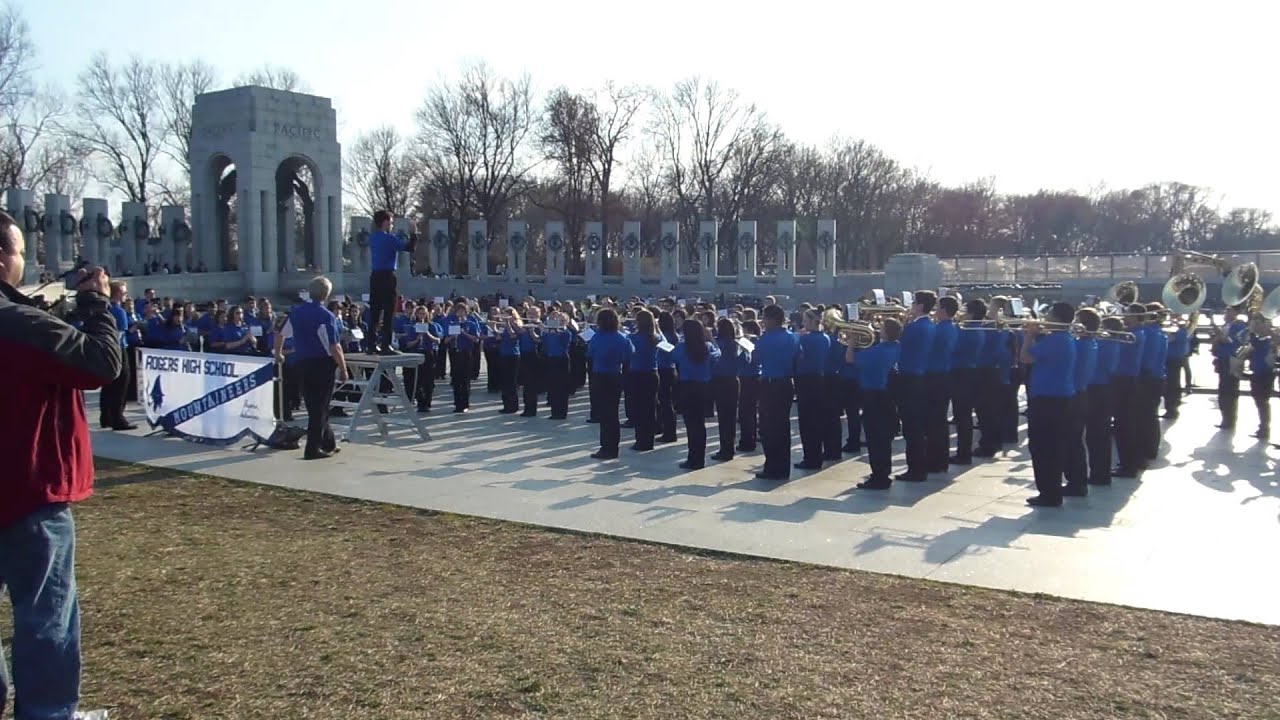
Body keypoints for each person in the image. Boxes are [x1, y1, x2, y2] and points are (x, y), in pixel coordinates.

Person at [1, 208, 123, 720]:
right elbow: (101, 363)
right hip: (26, 490)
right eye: (20, 251)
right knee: (46, 616)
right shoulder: (17, 323)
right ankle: (47, 713)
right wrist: (97, 304)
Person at [275, 276, 349, 460]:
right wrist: (343, 368)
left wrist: (278, 352)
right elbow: (334, 346)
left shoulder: (296, 312)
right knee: (319, 408)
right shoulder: (326, 316)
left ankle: (329, 442)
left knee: (315, 405)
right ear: (326, 294)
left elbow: (280, 333)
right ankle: (312, 448)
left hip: (302, 362)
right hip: (322, 363)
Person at [1019, 302, 1078, 507]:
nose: (1045, 319)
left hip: (1048, 398)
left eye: (1049, 315)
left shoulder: (1055, 340)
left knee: (1043, 446)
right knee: (1053, 446)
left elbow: (1025, 357)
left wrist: (1029, 335)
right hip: (1058, 397)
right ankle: (1051, 491)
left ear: (1058, 319)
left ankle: (1049, 492)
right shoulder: (1064, 338)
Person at [848, 317, 902, 490]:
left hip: (874, 396)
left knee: (875, 438)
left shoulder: (877, 351)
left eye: (882, 328)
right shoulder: (898, 347)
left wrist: (851, 343)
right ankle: (883, 473)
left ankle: (879, 477)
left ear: (885, 332)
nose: (879, 329)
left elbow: (850, 359)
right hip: (889, 396)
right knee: (884, 438)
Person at [754, 304, 800, 480]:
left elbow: (756, 358)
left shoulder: (766, 339)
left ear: (772, 320)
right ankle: (782, 468)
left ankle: (772, 467)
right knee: (782, 427)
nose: (763, 322)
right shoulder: (792, 337)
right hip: (786, 383)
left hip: (770, 383)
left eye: (765, 318)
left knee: (768, 427)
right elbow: (798, 357)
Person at [896, 291, 937, 482]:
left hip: (909, 377)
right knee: (917, 426)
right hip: (921, 376)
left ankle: (915, 469)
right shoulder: (930, 325)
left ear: (920, 306)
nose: (911, 306)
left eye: (914, 302)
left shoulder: (914, 327)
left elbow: (899, 346)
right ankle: (920, 466)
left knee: (911, 427)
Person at [672, 318, 721, 469]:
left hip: (687, 386)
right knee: (700, 424)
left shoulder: (682, 347)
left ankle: (693, 457)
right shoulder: (707, 347)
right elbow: (718, 354)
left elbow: (673, 358)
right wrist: (711, 339)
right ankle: (700, 457)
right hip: (704, 386)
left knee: (691, 424)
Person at [1062, 308, 1099, 497]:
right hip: (1081, 393)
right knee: (1075, 440)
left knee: (1071, 441)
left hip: (1074, 394)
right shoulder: (1091, 343)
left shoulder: (1078, 344)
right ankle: (1077, 480)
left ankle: (1076, 481)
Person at [587, 308, 630, 459]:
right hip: (615, 375)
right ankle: (613, 447)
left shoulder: (597, 337)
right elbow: (628, 355)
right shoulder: (622, 337)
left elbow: (590, 353)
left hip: (600, 376)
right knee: (613, 413)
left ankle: (606, 447)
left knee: (604, 415)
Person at [367, 210, 411, 354]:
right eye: (390, 222)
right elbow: (409, 248)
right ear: (385, 222)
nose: (391, 225)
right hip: (387, 276)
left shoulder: (372, 237)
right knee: (389, 311)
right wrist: (414, 234)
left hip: (375, 276)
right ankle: (385, 345)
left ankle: (371, 345)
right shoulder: (390, 239)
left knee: (374, 311)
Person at [1111, 303, 1148, 477]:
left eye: (1127, 313)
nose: (1124, 316)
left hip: (1125, 379)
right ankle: (1133, 461)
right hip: (1127, 379)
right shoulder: (1134, 332)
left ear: (1134, 316)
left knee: (1124, 424)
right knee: (1128, 422)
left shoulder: (1133, 335)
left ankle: (1128, 465)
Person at [1086, 316, 1123, 486]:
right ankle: (1100, 472)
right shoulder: (1109, 343)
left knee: (1097, 435)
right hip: (1102, 387)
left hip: (1098, 388)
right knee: (1098, 434)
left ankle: (1099, 474)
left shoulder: (1103, 344)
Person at [949, 298, 986, 465]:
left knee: (962, 415)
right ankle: (964, 451)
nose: (961, 314)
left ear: (971, 314)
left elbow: (953, 347)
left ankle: (963, 453)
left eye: (964, 312)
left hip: (961, 372)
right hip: (970, 372)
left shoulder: (966, 330)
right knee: (964, 415)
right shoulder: (978, 328)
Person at [926, 295, 959, 471]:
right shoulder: (953, 327)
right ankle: (940, 459)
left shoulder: (938, 329)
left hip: (934, 376)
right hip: (945, 374)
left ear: (944, 310)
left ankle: (935, 460)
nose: (935, 311)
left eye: (938, 308)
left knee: (933, 421)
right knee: (940, 420)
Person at [795, 308, 831, 470]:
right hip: (819, 379)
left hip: (806, 380)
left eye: (805, 320)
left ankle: (810, 458)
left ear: (812, 321)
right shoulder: (825, 338)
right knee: (816, 421)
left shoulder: (806, 339)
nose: (803, 324)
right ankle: (816, 456)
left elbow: (796, 356)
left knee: (807, 422)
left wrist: (799, 337)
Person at [99, 280, 138, 431]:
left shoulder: (104, 308)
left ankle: (106, 416)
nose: (126, 295)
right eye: (124, 293)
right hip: (119, 348)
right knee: (122, 383)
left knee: (109, 383)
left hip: (105, 348)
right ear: (117, 294)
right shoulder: (119, 311)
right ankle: (118, 417)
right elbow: (120, 333)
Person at [710, 317, 743, 462]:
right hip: (733, 380)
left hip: (720, 380)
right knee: (731, 416)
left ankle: (725, 449)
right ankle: (730, 447)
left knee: (723, 417)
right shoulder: (736, 343)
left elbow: (713, 357)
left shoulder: (717, 343)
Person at [627, 309, 661, 451]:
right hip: (652, 373)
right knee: (650, 408)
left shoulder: (632, 337)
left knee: (639, 408)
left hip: (637, 373)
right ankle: (649, 440)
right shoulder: (656, 337)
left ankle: (641, 440)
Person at [1213, 307, 1247, 431]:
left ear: (1236, 313)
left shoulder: (1239, 325)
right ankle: (1225, 418)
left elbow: (1234, 341)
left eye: (1229, 311)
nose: (1226, 313)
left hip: (1232, 360)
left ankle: (1229, 419)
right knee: (1223, 389)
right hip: (1223, 359)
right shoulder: (1225, 325)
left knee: (1230, 390)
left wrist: (1220, 335)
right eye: (1226, 311)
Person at [736, 319, 762, 453]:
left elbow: (744, 360)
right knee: (751, 410)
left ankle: (747, 441)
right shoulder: (759, 341)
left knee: (745, 412)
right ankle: (752, 437)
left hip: (747, 377)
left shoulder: (747, 343)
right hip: (756, 376)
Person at [1247, 314, 1274, 440]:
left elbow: (1256, 344)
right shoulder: (1260, 340)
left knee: (1262, 402)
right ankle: (1262, 427)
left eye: (1259, 324)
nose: (1257, 327)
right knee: (1259, 401)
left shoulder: (1269, 340)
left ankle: (1265, 428)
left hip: (1265, 375)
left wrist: (1252, 331)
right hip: (1257, 373)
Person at [1163, 316, 1190, 419]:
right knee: (1171, 384)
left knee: (1172, 384)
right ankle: (1171, 407)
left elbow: (1169, 339)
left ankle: (1172, 408)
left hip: (1174, 359)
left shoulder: (1179, 330)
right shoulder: (1176, 329)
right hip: (1171, 359)